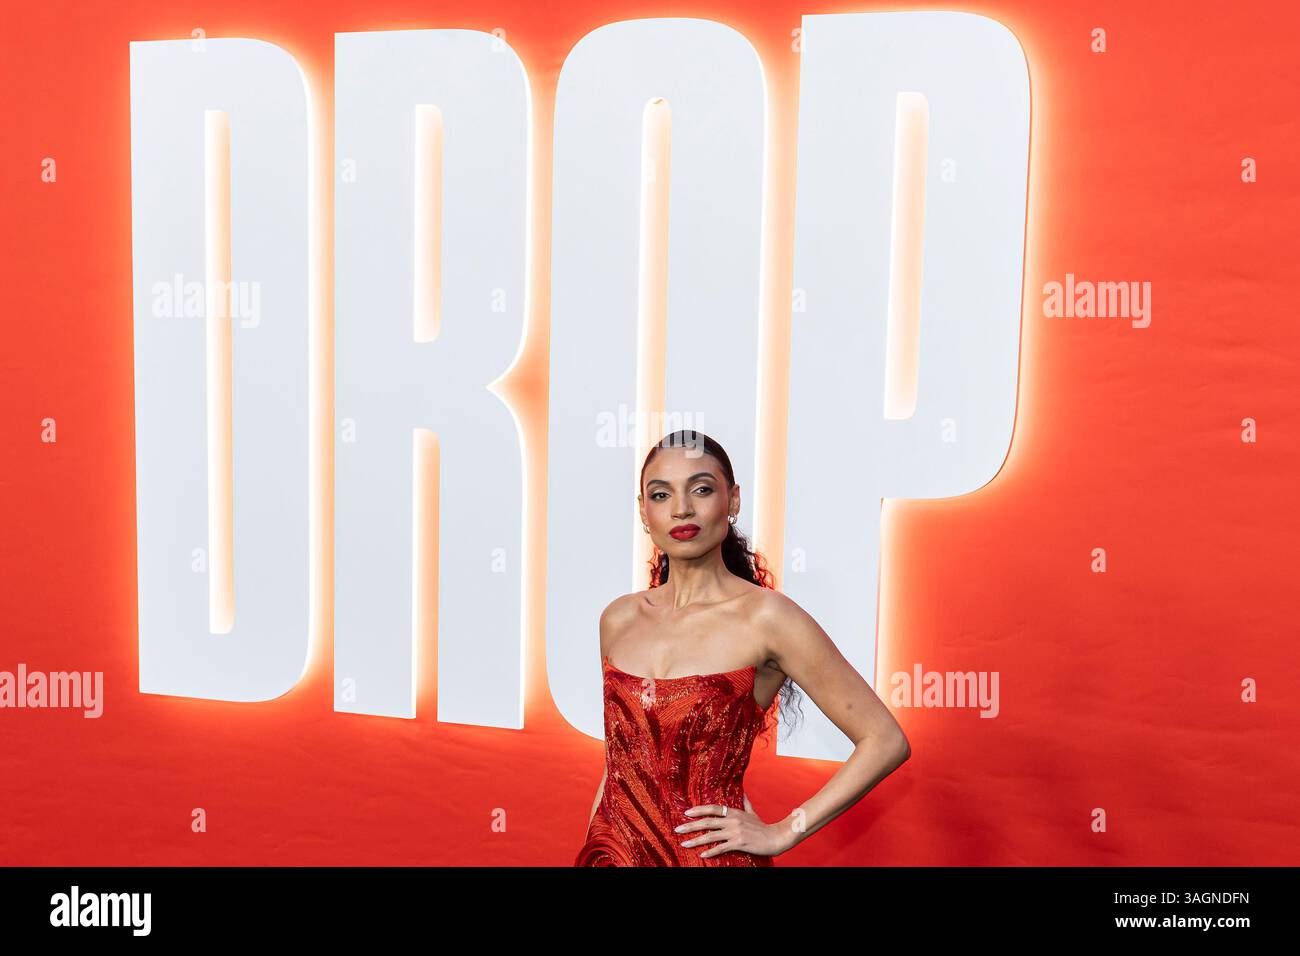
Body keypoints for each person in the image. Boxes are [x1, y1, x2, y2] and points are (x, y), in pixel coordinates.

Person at [574, 430, 911, 866]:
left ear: (732, 501)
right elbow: (618, 763)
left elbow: (884, 739)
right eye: (661, 494)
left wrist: (785, 831)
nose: (681, 509)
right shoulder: (618, 619)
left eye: (701, 489)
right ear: (643, 511)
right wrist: (592, 841)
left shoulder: (767, 618)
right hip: (611, 855)